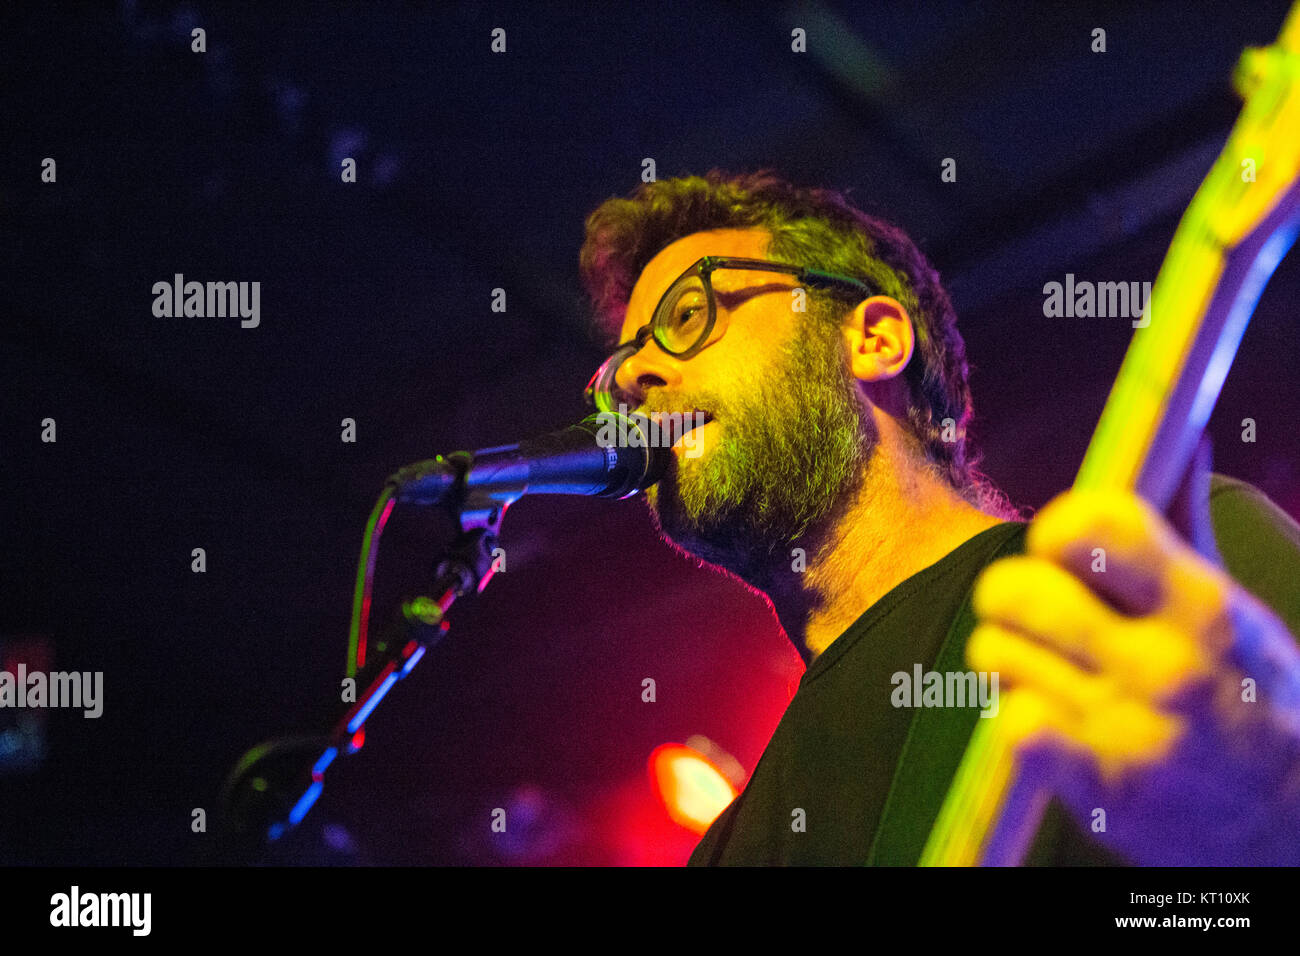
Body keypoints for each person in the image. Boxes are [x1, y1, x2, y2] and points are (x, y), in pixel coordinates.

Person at [577, 169, 1300, 865]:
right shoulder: (734, 846)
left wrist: (1271, 811)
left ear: (875, 340)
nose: (636, 379)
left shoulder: (1153, 576)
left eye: (686, 316)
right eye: (620, 369)